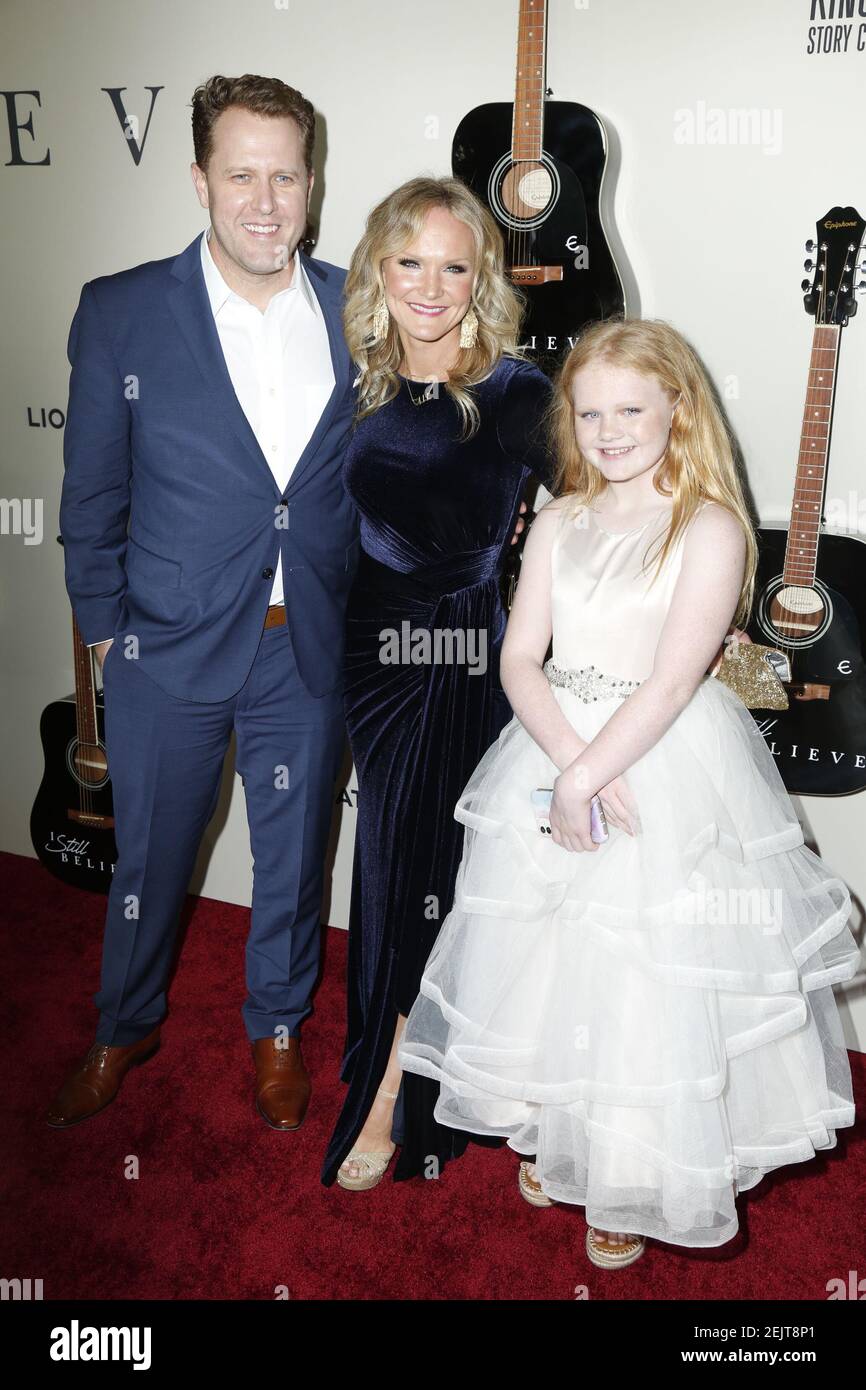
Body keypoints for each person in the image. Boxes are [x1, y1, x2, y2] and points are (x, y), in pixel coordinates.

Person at [398, 317, 859, 1263]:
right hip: (554, 747)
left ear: (677, 409)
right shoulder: (560, 518)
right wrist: (570, 771)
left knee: (648, 974)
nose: (609, 431)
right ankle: (564, 1123)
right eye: (590, 411)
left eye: (631, 410)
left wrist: (591, 776)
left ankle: (629, 1169)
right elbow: (521, 656)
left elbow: (672, 682)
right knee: (549, 959)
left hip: (666, 761)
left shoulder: (711, 526)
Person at [48, 75, 358, 1132]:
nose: (264, 201)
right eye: (240, 175)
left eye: (285, 175)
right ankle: (122, 1023)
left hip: (305, 645)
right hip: (166, 647)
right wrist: (107, 637)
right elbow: (90, 494)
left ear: (311, 185)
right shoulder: (124, 310)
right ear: (198, 180)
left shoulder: (357, 306)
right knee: (152, 857)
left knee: (295, 853)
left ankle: (275, 1025)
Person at [319, 176, 561, 1190]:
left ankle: (395, 1094)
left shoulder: (516, 393)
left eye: (453, 264)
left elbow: (602, 505)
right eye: (409, 260)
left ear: (480, 280)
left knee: (451, 875)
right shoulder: (360, 378)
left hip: (463, 649)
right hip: (372, 650)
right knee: (387, 864)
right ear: (380, 266)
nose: (429, 283)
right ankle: (395, 1058)